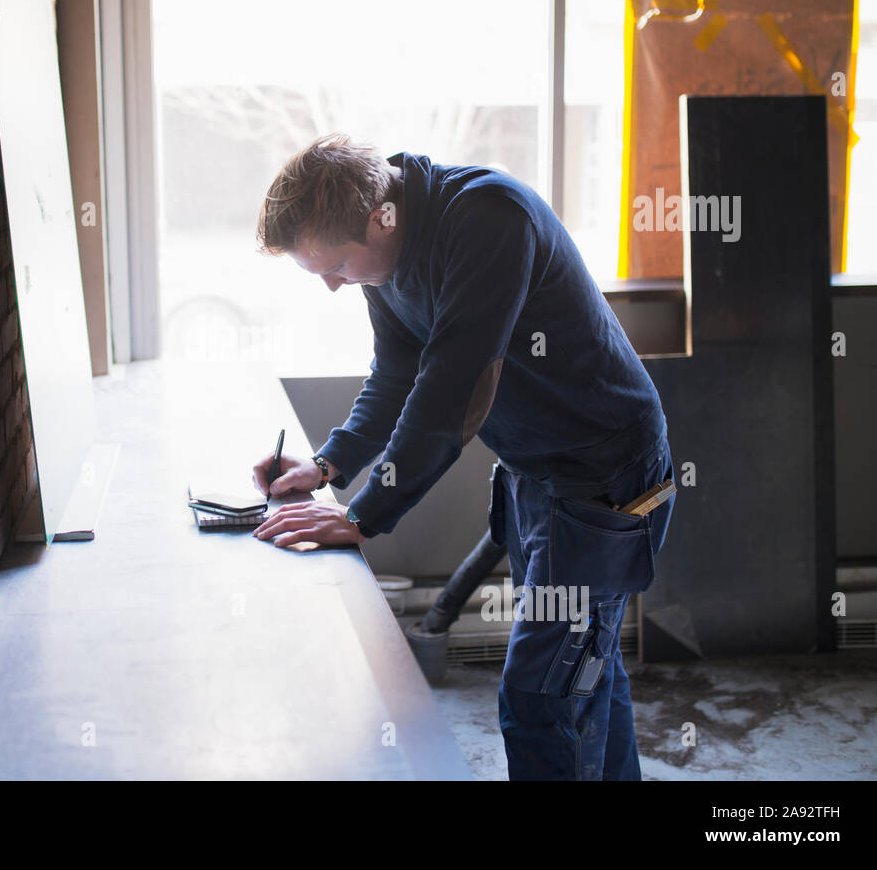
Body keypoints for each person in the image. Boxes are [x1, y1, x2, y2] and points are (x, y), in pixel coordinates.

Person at [248, 133, 675, 780]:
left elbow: (453, 390)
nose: (335, 286)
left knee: (542, 694)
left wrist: (363, 516)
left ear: (376, 218)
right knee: (588, 666)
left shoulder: (487, 220)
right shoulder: (385, 259)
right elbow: (397, 375)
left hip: (605, 476)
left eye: (335, 267)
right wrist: (329, 465)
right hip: (539, 475)